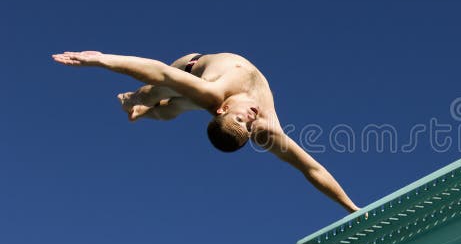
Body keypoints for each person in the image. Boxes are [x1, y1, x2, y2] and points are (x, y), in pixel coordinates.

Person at [52, 50, 359, 213]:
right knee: (158, 96)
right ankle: (135, 104)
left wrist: (101, 59)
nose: (251, 119)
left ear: (223, 110)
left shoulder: (213, 95)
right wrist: (351, 207)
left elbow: (159, 70)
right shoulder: (264, 127)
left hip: (192, 76)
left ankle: (138, 106)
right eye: (248, 126)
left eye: (243, 121)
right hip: (192, 73)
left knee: (166, 99)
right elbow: (310, 168)